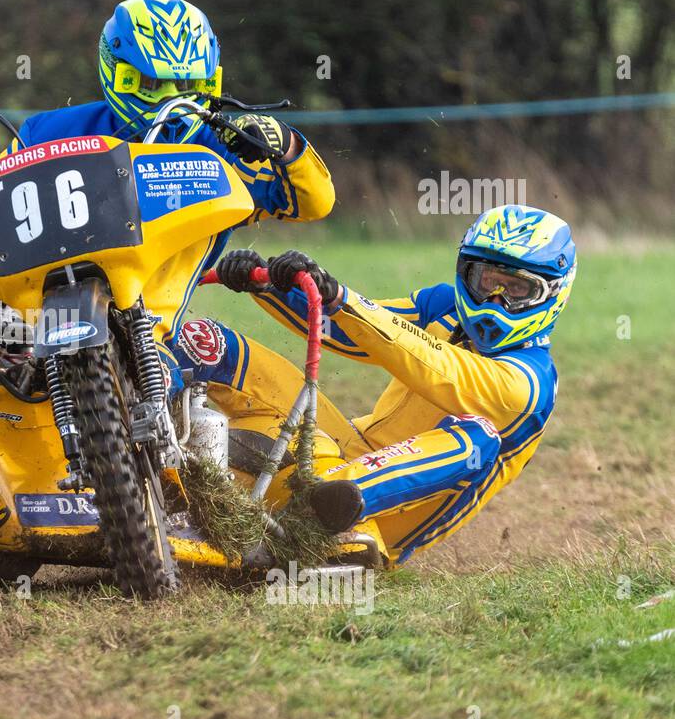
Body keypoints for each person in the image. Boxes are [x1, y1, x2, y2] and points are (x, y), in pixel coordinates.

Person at [0, 0, 338, 497]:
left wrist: (287, 146)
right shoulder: (51, 130)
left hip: (153, 332)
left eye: (188, 88)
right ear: (116, 73)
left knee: (198, 381)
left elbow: (314, 201)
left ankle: (204, 493)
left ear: (212, 81)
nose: (171, 103)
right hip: (24, 313)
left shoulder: (227, 151)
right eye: (151, 87)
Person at [172, 204, 576, 565]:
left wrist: (344, 299)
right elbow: (351, 332)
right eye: (486, 280)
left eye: (517, 288)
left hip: (385, 513)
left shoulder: (529, 382)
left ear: (552, 293)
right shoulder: (445, 305)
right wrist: (271, 287)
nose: (494, 300)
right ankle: (134, 455)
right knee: (206, 342)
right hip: (342, 450)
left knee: (479, 437)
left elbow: (430, 363)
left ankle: (331, 515)